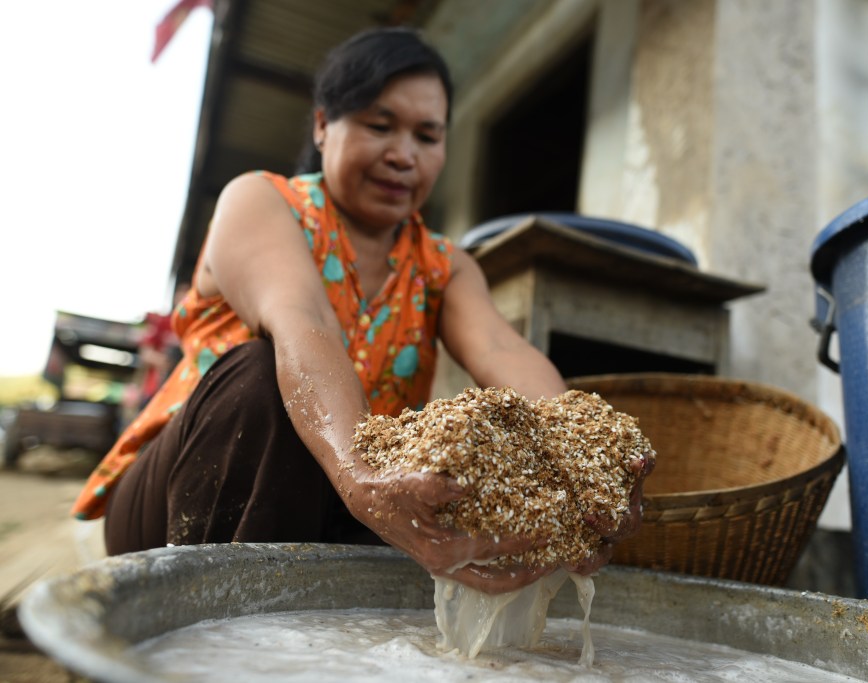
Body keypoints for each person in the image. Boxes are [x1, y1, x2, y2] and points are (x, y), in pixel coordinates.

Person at [71, 27, 651, 594]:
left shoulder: (444, 265)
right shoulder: (263, 201)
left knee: (465, 466)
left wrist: (585, 459)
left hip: (336, 508)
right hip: (180, 500)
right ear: (324, 125)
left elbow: (504, 352)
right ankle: (206, 627)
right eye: (379, 125)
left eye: (427, 136)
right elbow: (304, 317)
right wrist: (360, 474)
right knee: (260, 377)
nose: (403, 155)